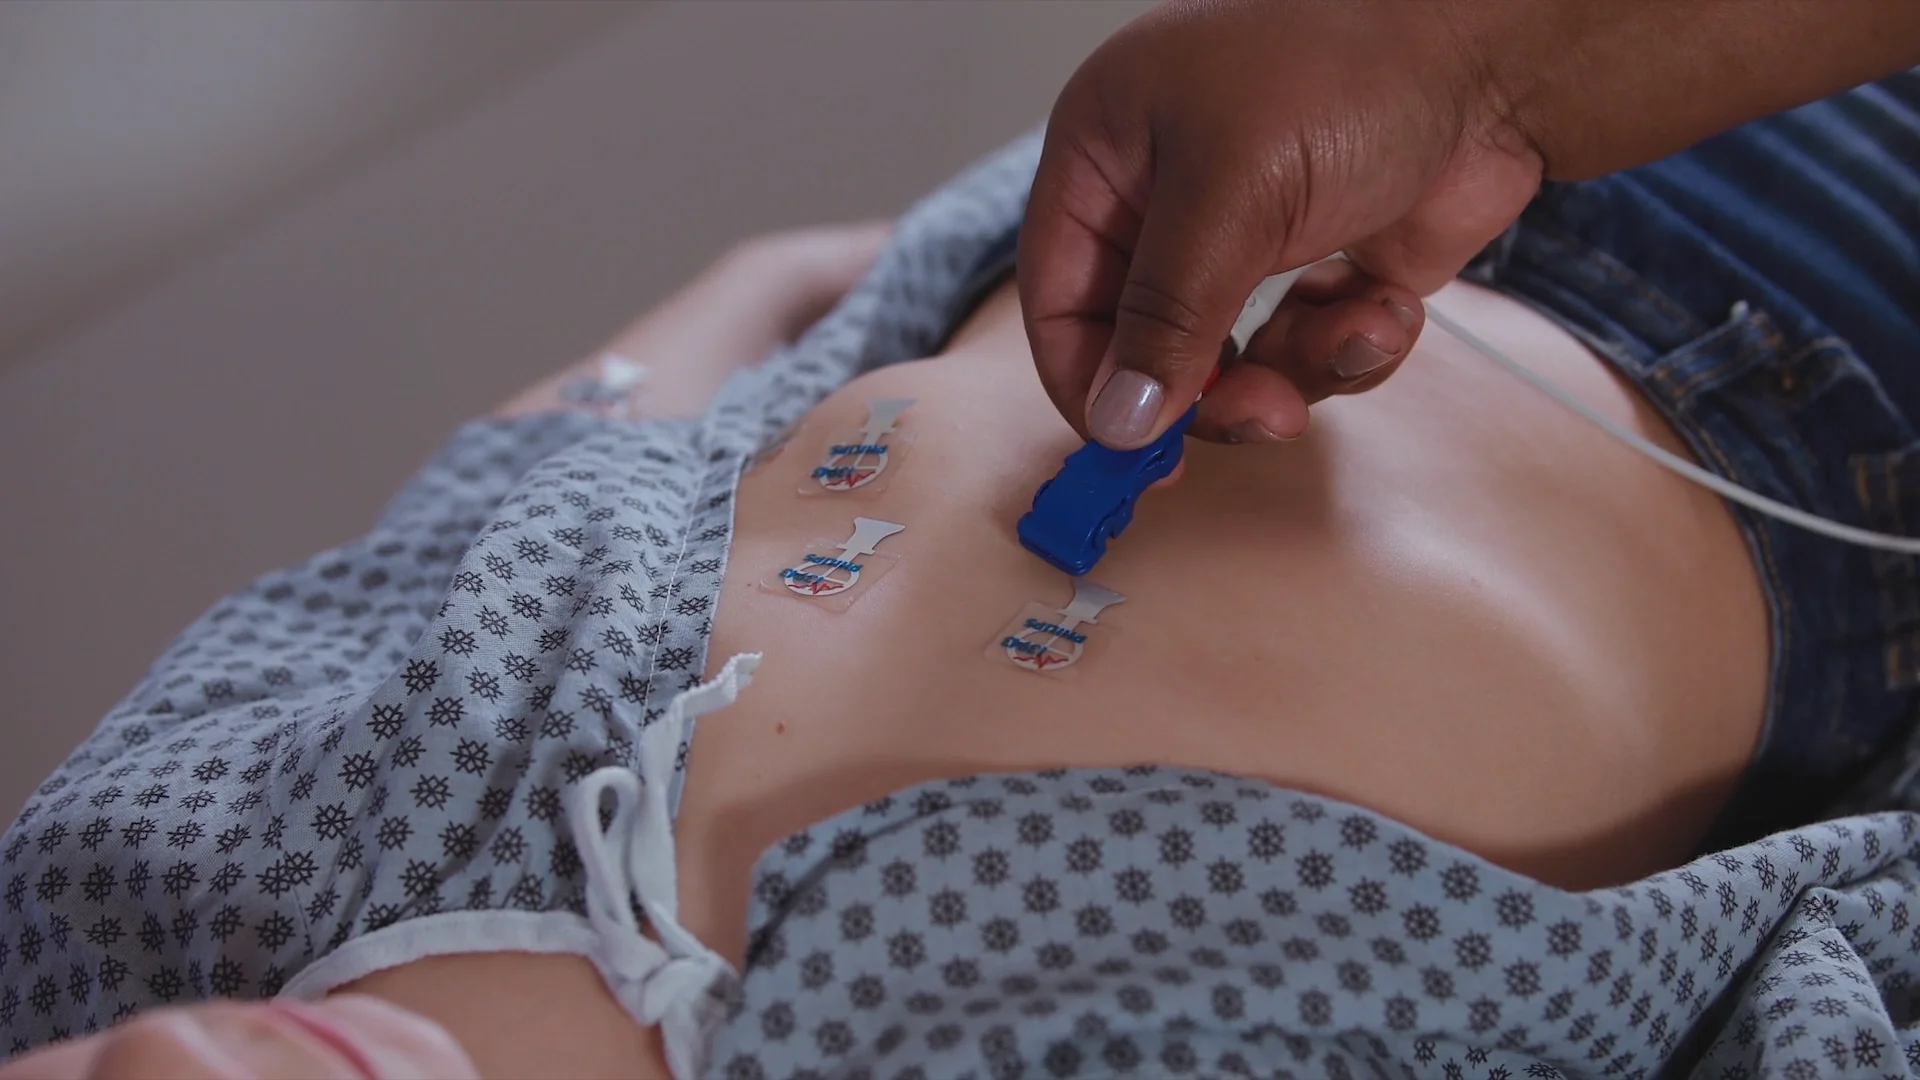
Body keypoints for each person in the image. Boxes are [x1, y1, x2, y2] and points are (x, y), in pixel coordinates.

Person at [5, 5, 1920, 1080]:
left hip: (1341, 150)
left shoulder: (121, 907)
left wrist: (778, 290)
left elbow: (517, 480)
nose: (157, 1072)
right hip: (1839, 396)